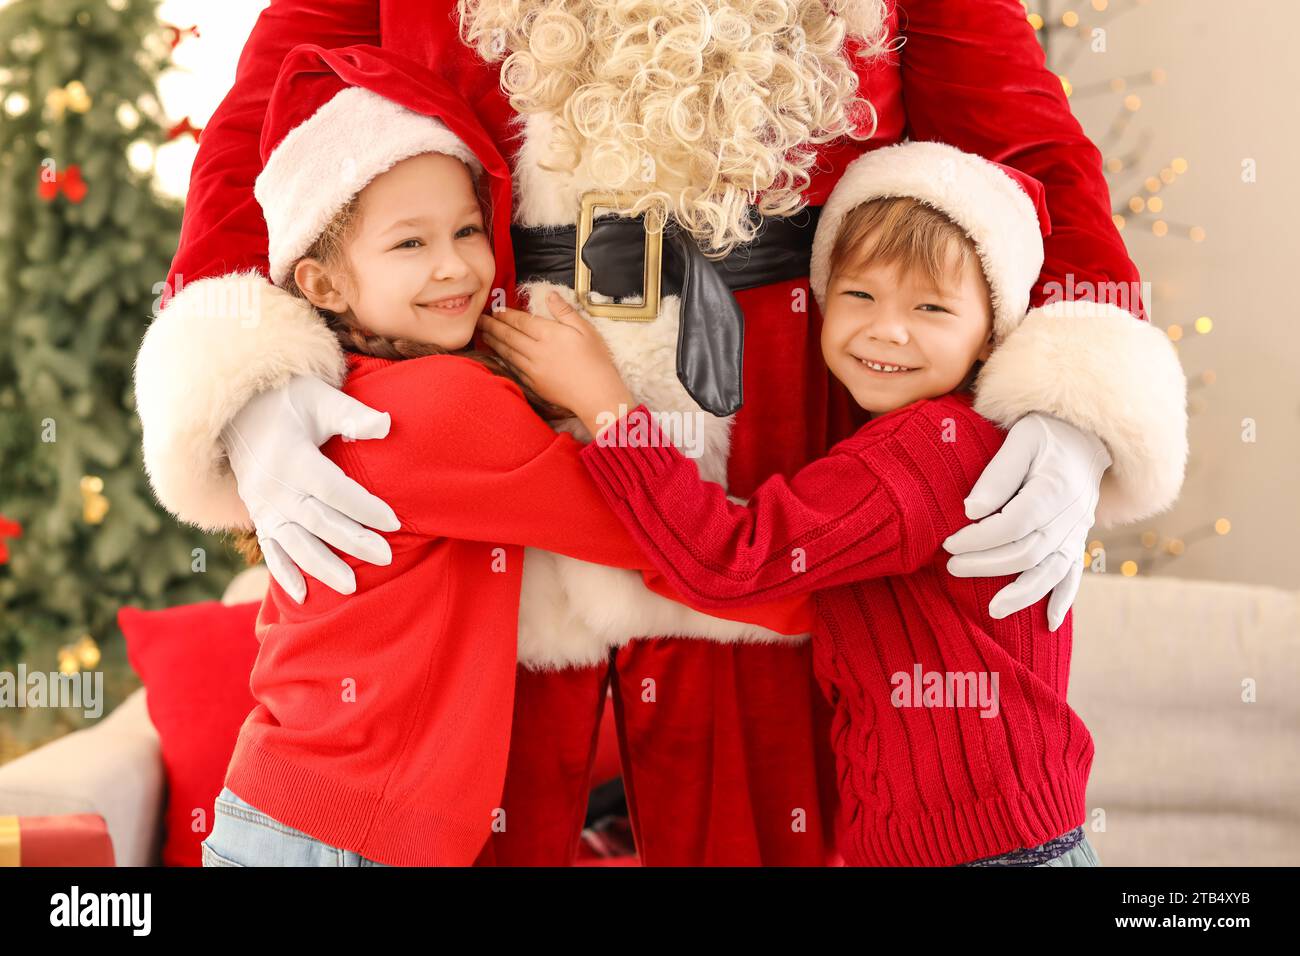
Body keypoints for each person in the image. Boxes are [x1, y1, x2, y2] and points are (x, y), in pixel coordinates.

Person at [136, 0, 1189, 865]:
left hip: (783, 445)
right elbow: (263, 135)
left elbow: (1023, 144)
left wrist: (1073, 403)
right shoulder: (432, 427)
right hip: (500, 421)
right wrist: (245, 370)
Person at [482, 141, 1182, 865]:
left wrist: (605, 403)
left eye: (932, 307)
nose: (888, 328)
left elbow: (733, 561)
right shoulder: (948, 439)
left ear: (991, 337)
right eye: (859, 296)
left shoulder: (925, 453)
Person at [194, 43, 805, 867]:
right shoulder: (446, 408)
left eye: (469, 229)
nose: (456, 267)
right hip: (346, 843)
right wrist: (828, 597)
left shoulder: (356, 393)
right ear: (322, 285)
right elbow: (653, 541)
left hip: (287, 816)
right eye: (409, 245)